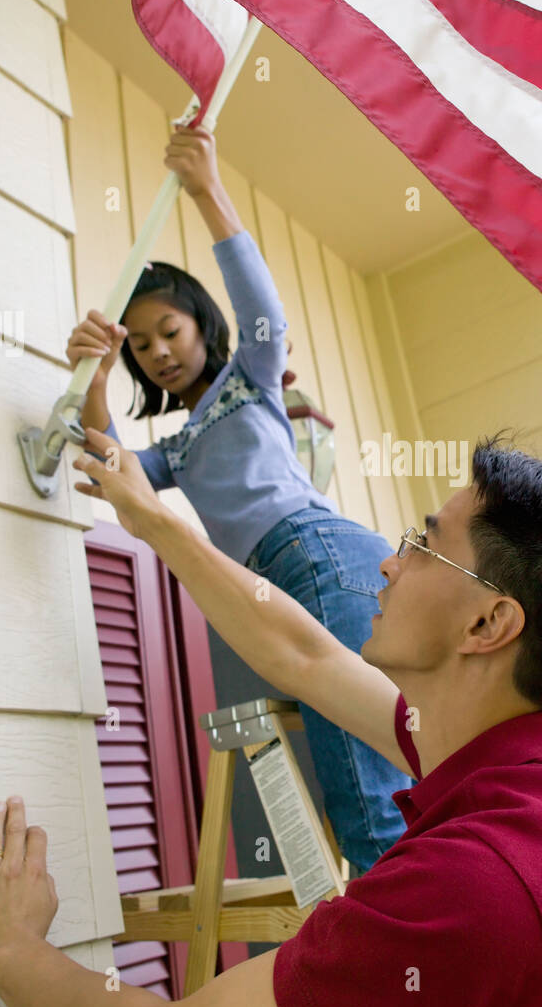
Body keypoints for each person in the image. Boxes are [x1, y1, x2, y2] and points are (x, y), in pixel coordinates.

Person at [0, 434, 542, 1007]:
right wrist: (154, 520)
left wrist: (12, 948)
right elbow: (306, 658)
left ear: (487, 625)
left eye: (423, 546)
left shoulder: (479, 889)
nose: (387, 562)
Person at [64, 124, 412, 874]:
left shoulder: (247, 381)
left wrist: (207, 191)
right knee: (371, 753)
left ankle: (410, 941)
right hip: (277, 579)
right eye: (142, 348)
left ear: (201, 326)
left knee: (360, 776)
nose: (159, 351)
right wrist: (92, 381)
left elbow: (266, 318)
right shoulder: (180, 450)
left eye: (170, 331)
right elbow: (115, 464)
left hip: (317, 553)